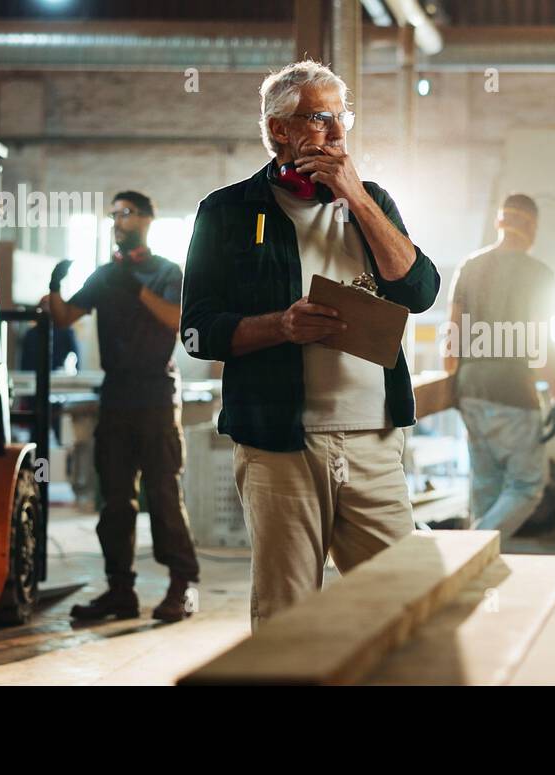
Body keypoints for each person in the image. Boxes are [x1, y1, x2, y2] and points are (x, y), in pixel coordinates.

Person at [179, 60, 440, 631]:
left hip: (374, 440)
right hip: (280, 448)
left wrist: (358, 199)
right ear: (279, 130)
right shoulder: (225, 212)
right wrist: (281, 327)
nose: (337, 132)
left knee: (407, 602)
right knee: (288, 615)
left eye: (341, 117)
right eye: (319, 119)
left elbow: (420, 291)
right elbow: (197, 330)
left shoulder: (372, 201)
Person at [41, 190, 201, 623]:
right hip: (116, 396)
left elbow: (177, 320)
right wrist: (55, 286)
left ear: (148, 219)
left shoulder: (167, 272)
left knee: (164, 496)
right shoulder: (105, 275)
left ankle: (181, 586)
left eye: (127, 213)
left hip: (155, 397)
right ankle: (119, 592)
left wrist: (137, 289)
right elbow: (64, 317)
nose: (119, 221)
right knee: (114, 502)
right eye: (113, 215)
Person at [445, 194, 555, 538]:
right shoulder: (539, 273)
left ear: (499, 221)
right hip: (514, 392)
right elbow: (541, 343)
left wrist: (454, 384)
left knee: (486, 488)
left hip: (470, 390)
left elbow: (452, 332)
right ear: (532, 227)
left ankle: (477, 578)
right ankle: (472, 548)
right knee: (527, 486)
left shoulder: (470, 265)